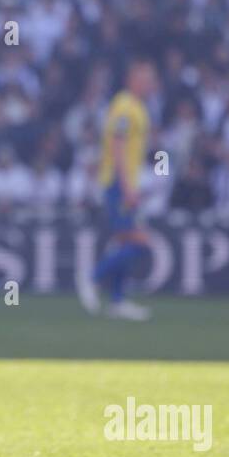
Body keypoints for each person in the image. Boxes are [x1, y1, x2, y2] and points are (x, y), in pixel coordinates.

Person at [80, 60, 156, 321]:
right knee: (140, 242)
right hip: (117, 183)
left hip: (125, 183)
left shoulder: (136, 107)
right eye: (145, 79)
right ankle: (93, 278)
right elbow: (117, 143)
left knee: (126, 242)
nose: (149, 84)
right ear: (132, 78)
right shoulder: (124, 106)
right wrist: (126, 187)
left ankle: (117, 301)